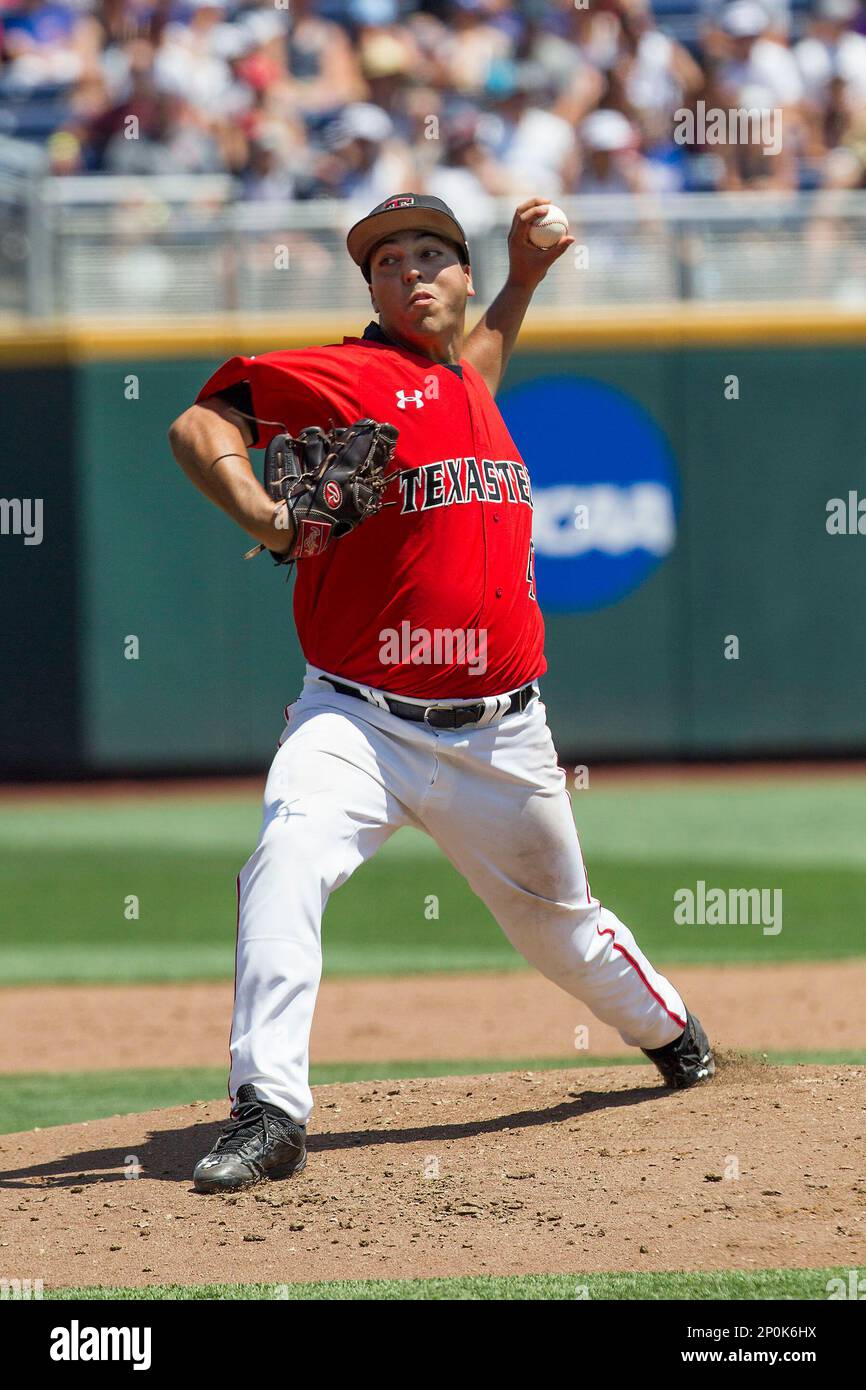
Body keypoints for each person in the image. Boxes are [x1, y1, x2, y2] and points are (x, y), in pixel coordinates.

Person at [168, 192, 716, 1194]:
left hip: (501, 738)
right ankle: (269, 1108)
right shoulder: (345, 375)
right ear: (370, 288)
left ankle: (674, 1037)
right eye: (388, 261)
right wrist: (259, 505)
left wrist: (525, 275)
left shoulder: (466, 381)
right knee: (286, 855)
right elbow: (200, 419)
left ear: (461, 280)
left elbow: (483, 354)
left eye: (431, 255)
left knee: (565, 931)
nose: (411, 271)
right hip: (355, 718)